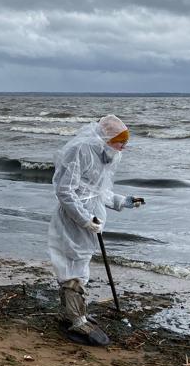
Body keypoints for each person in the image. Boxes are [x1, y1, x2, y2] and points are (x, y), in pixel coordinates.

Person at [47, 115, 144, 347]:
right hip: (74, 220)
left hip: (91, 220)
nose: (124, 146)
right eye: (121, 140)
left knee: (80, 264)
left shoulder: (104, 155)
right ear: (108, 137)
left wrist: (123, 201)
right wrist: (84, 219)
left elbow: (97, 190)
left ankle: (70, 314)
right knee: (73, 267)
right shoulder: (80, 151)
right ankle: (76, 320)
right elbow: (65, 191)